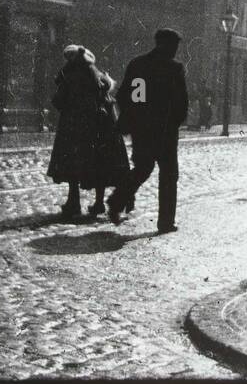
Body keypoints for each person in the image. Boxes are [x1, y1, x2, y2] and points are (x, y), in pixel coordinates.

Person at [107, 29, 189, 233]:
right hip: (166, 132)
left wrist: (137, 120)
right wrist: (174, 122)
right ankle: (165, 222)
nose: (175, 51)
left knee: (143, 168)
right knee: (169, 175)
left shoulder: (139, 65)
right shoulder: (174, 68)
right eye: (174, 46)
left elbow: (130, 97)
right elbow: (181, 102)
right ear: (168, 46)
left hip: (143, 130)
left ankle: (117, 201)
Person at [48, 45, 129, 221]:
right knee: (99, 164)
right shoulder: (98, 75)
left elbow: (58, 100)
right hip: (99, 128)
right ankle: (99, 202)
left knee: (72, 164)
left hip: (74, 127)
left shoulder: (70, 75)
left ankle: (73, 202)